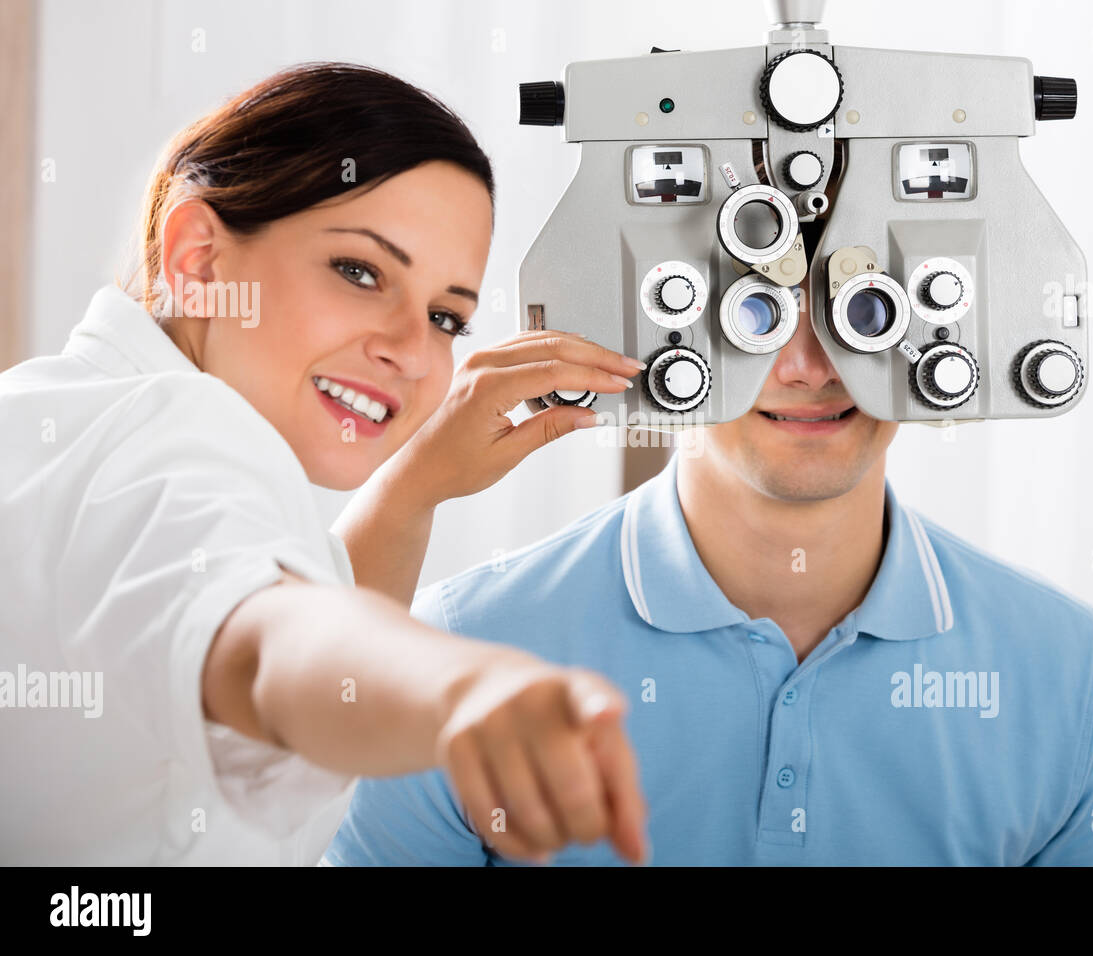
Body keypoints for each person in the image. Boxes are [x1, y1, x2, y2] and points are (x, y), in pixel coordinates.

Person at [0, 62, 649, 866]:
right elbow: (268, 647)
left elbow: (260, 612)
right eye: (360, 271)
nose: (414, 353)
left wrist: (415, 489)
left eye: (447, 317)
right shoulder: (176, 435)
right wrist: (460, 691)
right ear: (198, 260)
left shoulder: (56, 415)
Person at [325, 269, 1093, 866]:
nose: (810, 367)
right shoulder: (459, 648)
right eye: (755, 312)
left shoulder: (1067, 670)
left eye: (863, 310)